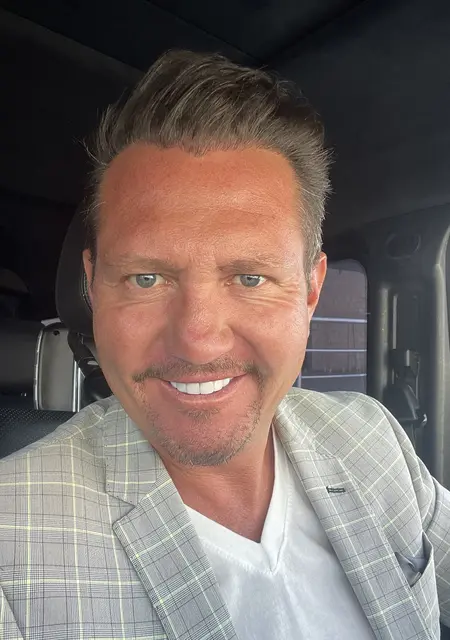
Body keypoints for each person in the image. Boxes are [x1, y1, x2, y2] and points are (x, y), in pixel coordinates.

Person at [0, 50, 448, 640]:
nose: (198, 339)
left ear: (311, 291)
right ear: (92, 286)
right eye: (145, 278)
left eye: (251, 278)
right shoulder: (15, 543)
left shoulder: (373, 439)